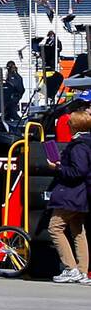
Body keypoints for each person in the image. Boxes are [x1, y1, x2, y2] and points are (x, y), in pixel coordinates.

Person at [48, 110, 91, 283]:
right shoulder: (87, 143)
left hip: (71, 194)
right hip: (82, 195)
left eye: (70, 123)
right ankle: (82, 270)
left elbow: (78, 171)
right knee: (78, 231)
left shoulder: (78, 145)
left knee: (55, 228)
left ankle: (70, 268)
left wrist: (57, 168)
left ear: (75, 126)